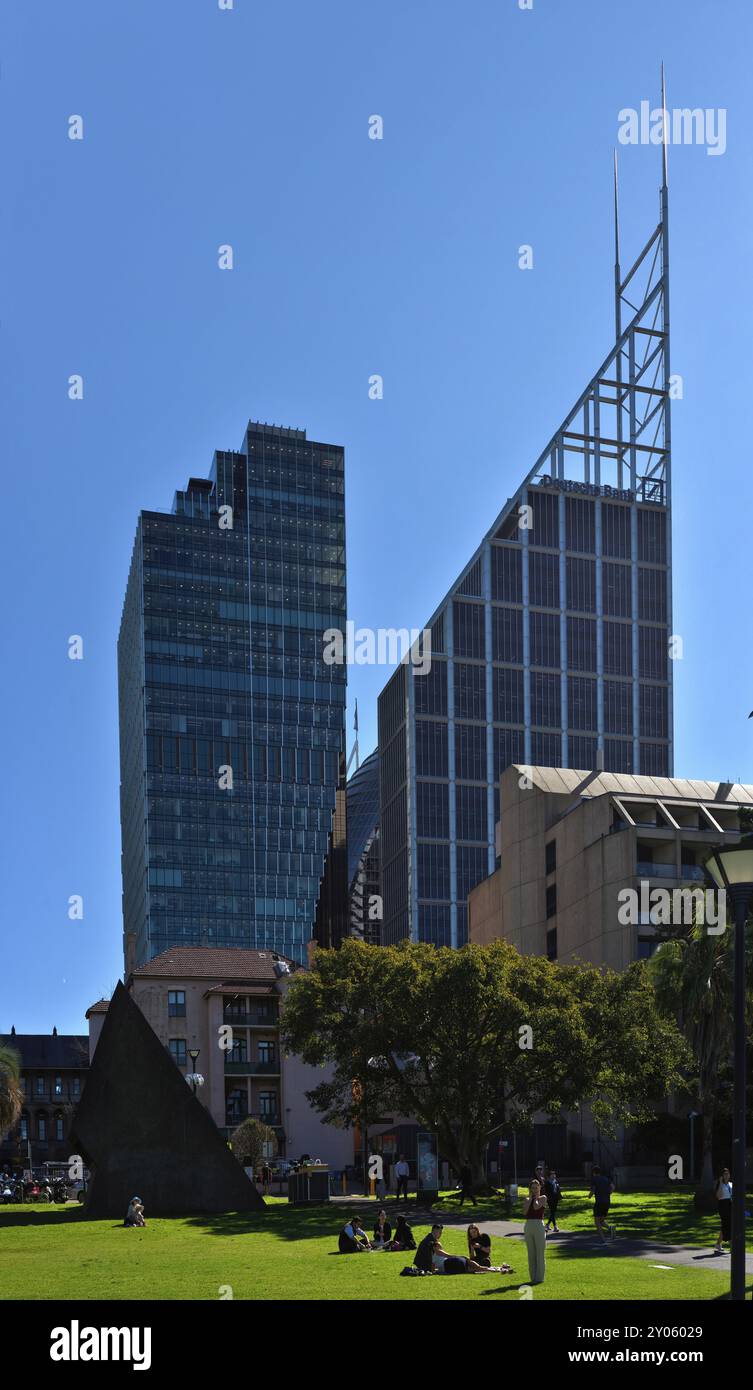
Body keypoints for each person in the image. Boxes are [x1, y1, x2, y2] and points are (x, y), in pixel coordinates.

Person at [414, 1223, 509, 1275]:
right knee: (475, 1267)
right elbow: (441, 1254)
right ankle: (498, 1269)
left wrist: (479, 1247)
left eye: (474, 1232)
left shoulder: (484, 1236)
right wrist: (470, 1249)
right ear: (435, 1231)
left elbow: (435, 1260)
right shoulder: (431, 1242)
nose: (440, 1235)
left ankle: (497, 1269)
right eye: (440, 1232)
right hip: (452, 1262)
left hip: (452, 1263)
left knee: (473, 1269)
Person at [523, 1178, 547, 1285]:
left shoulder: (543, 1198)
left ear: (539, 1188)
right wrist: (530, 1199)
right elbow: (525, 1212)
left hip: (539, 1225)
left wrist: (535, 1198)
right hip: (529, 1225)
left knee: (540, 1253)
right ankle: (533, 1277)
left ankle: (539, 1278)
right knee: (531, 1253)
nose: (534, 1190)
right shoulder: (527, 1199)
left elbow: (537, 1207)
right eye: (532, 1188)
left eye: (536, 1188)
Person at [588, 1165, 615, 1243]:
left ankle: (603, 1240)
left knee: (597, 1222)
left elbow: (593, 1190)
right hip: (607, 1202)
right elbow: (613, 1187)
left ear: (593, 1173)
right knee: (601, 1220)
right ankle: (610, 1228)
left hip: (599, 1202)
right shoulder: (606, 1178)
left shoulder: (594, 1179)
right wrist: (608, 1193)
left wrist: (589, 1196)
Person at [714, 1168, 732, 1254]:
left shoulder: (731, 1184)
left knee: (726, 1225)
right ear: (722, 1176)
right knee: (727, 1224)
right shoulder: (720, 1184)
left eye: (728, 1174)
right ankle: (732, 1245)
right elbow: (718, 1196)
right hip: (723, 1204)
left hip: (730, 1204)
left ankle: (718, 1244)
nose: (726, 1175)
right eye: (725, 1174)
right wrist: (721, 1183)